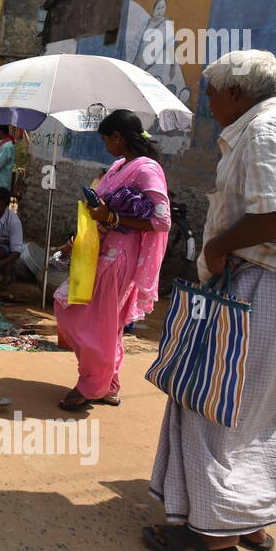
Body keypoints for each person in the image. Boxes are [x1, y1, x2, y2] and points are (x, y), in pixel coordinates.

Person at [144, 50, 276, 551]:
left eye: (210, 91)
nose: (206, 102)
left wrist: (215, 250)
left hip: (274, 282)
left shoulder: (263, 131)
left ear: (235, 91)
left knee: (216, 401)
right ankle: (246, 517)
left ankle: (212, 535)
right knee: (265, 410)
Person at [53, 109, 171, 412]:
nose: (105, 144)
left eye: (106, 138)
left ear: (117, 137)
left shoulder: (147, 169)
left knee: (93, 323)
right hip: (98, 250)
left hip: (119, 256)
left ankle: (90, 385)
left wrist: (113, 216)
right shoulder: (120, 164)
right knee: (100, 322)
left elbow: (162, 220)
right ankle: (108, 383)